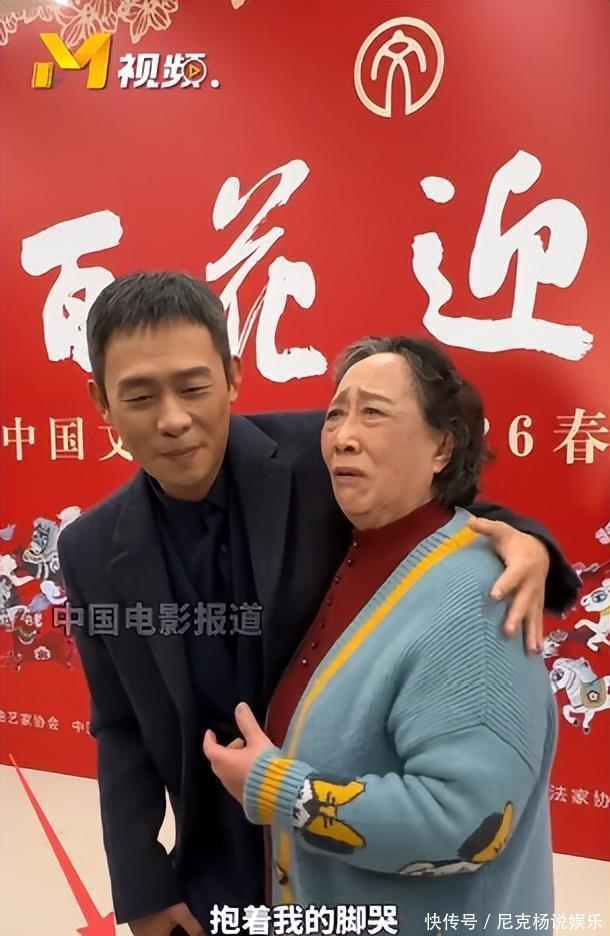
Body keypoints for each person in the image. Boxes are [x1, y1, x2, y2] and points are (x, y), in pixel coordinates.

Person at [56, 274, 576, 936]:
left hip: (346, 853)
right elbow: (119, 724)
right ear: (101, 401)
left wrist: (529, 543)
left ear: (232, 376)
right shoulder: (89, 548)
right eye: (139, 396)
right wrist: (141, 886)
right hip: (213, 868)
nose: (173, 419)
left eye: (192, 387)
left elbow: (431, 507)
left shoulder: (321, 453)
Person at [205, 337, 558, 931]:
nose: (343, 436)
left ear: (442, 446)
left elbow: (465, 822)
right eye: (335, 414)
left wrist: (277, 787)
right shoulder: (356, 547)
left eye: (373, 412)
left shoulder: (478, 598)